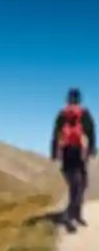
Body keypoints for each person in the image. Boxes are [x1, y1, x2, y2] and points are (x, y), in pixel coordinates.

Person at [52, 88, 96, 226]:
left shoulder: (62, 115)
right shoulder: (85, 114)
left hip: (67, 153)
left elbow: (56, 134)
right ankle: (72, 216)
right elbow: (91, 132)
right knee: (81, 185)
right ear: (79, 99)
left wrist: (54, 152)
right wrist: (92, 149)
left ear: (68, 99)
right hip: (80, 154)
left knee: (75, 185)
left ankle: (74, 215)